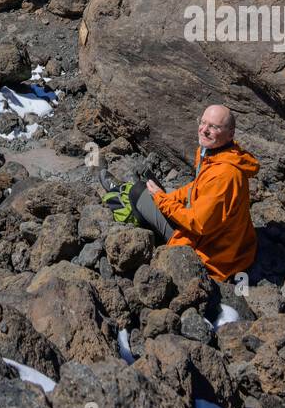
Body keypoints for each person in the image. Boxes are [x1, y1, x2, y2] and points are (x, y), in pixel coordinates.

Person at [100, 104, 259, 282]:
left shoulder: (224, 175)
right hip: (226, 242)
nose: (204, 130)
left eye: (213, 127)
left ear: (230, 134)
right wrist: (167, 198)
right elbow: (197, 187)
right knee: (158, 191)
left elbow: (198, 223)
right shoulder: (220, 153)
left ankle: (120, 195)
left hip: (210, 254)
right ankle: (124, 192)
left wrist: (161, 200)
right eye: (203, 122)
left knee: (138, 192)